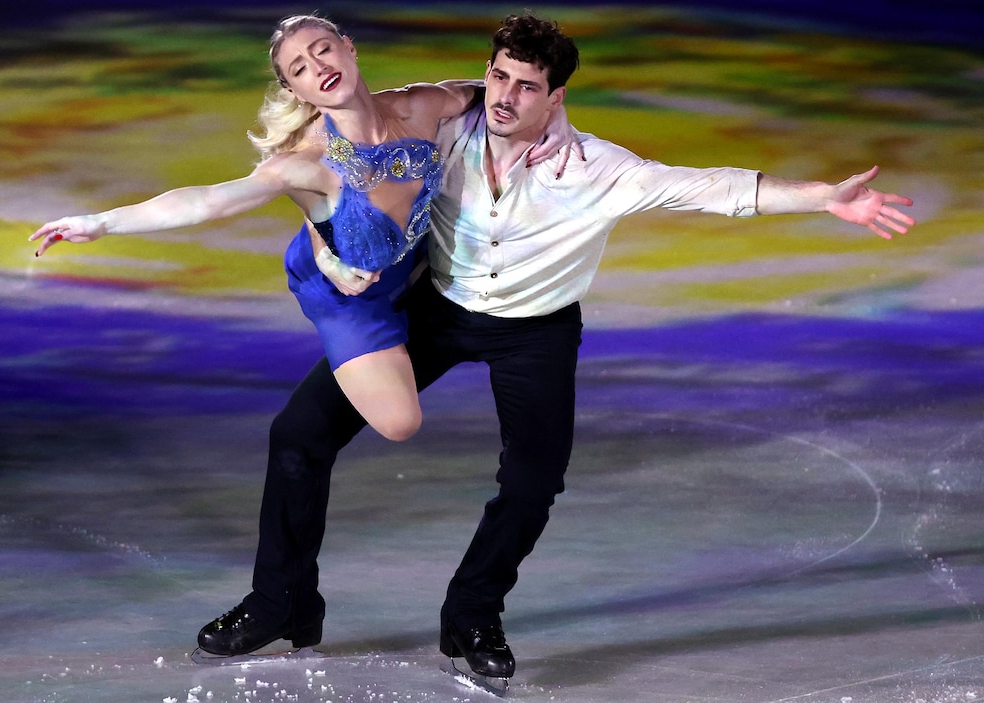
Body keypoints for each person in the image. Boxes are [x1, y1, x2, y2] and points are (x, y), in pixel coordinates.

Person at [207, 12, 916, 681]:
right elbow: (370, 131)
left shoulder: (597, 170)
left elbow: (712, 187)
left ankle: (472, 614)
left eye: (528, 87)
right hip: (437, 308)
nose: (507, 98)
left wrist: (825, 196)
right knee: (298, 433)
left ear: (556, 97)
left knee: (532, 481)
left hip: (535, 331)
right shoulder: (449, 130)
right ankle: (282, 602)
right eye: (500, 77)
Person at [28, 15, 570, 443]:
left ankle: (358, 254)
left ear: (348, 48)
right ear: (297, 90)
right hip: (345, 290)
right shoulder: (305, 163)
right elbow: (208, 202)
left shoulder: (421, 105)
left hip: (410, 252)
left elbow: (496, 91)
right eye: (299, 68)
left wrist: (554, 115)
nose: (317, 67)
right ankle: (325, 250)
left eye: (322, 50)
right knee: (400, 422)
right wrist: (100, 222)